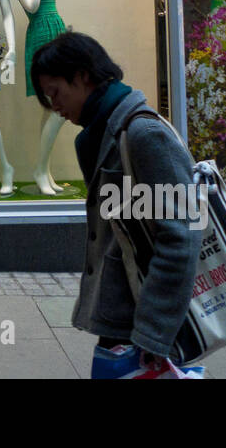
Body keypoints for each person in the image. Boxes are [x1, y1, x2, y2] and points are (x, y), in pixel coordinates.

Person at [31, 31, 201, 375]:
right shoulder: (101, 133)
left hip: (146, 327)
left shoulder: (143, 134)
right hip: (124, 321)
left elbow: (181, 235)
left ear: (82, 76)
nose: (55, 107)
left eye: (55, 93)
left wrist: (154, 336)